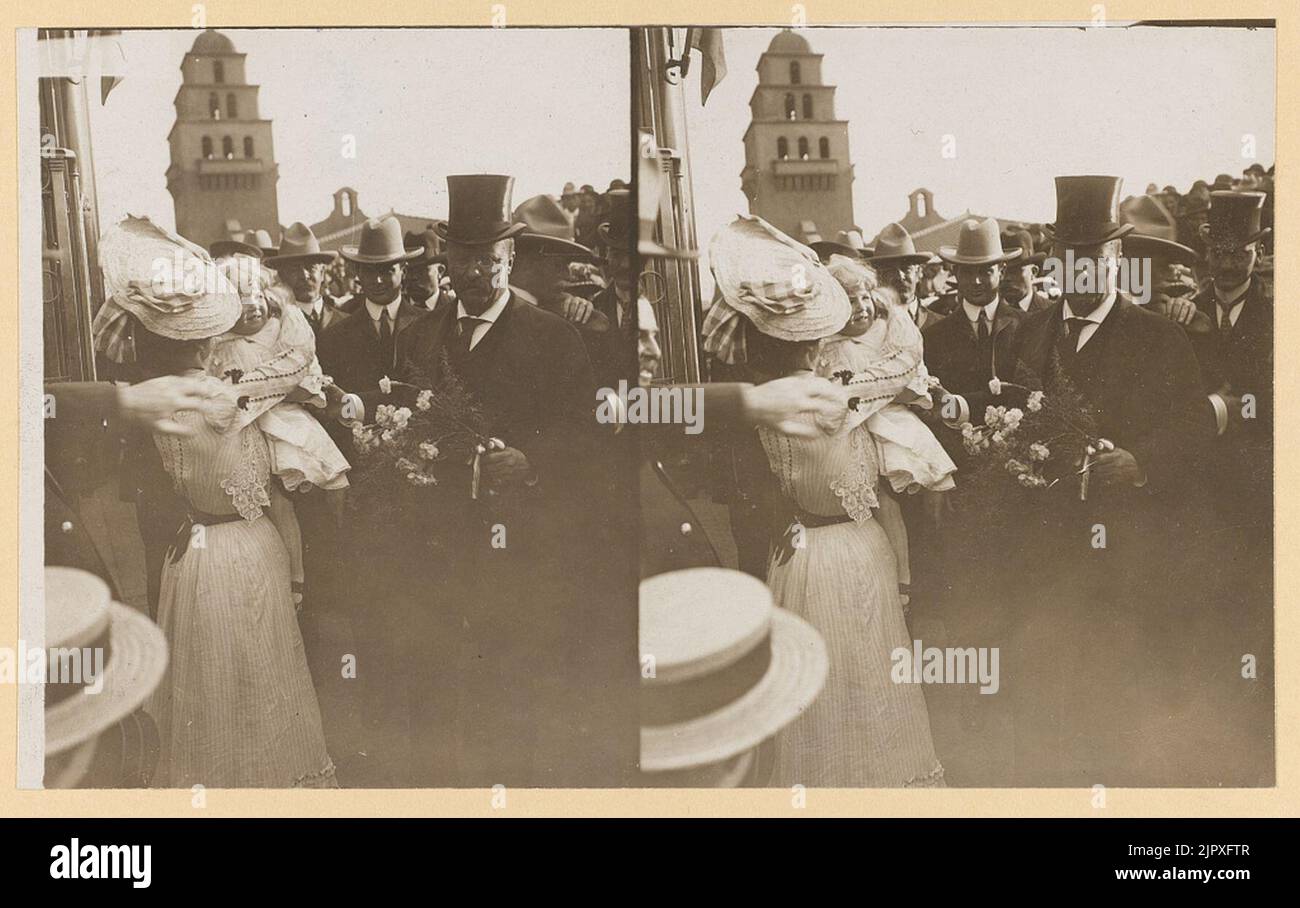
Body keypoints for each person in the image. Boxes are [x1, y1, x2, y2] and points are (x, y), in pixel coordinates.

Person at [93, 215, 336, 788]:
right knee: (259, 671)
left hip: (191, 553)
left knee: (206, 680)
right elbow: (296, 364)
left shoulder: (151, 398)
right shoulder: (226, 398)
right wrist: (274, 317)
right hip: (244, 545)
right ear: (205, 340)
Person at [705, 215, 945, 787]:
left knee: (820, 684)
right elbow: (878, 489)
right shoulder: (836, 399)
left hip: (797, 552)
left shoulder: (771, 399)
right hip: (847, 550)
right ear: (818, 342)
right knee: (863, 683)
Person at [1003, 175, 1215, 785]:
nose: (1080, 270)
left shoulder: (1157, 335)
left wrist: (1141, 460)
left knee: (1119, 690)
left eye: (1093, 257)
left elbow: (1194, 424)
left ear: (1117, 259)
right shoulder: (1032, 329)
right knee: (1048, 689)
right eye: (1068, 257)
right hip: (1044, 548)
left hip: (1123, 548)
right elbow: (1018, 416)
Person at [922, 217, 1028, 429]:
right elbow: (933, 407)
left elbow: (1033, 394)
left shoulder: (1028, 326)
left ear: (1002, 271)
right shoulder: (934, 336)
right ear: (956, 273)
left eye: (986, 271)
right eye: (968, 271)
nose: (976, 281)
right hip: (957, 452)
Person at [264, 222, 350, 337]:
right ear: (282, 276)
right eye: (294, 269)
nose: (304, 276)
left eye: (311, 267)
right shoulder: (274, 329)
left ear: (322, 272)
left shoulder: (347, 323)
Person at [866, 222, 945, 327]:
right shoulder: (871, 328)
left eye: (906, 268)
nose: (900, 276)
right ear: (879, 277)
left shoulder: (941, 325)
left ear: (918, 273)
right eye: (890, 271)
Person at [999, 227, 1052, 313]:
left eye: (1015, 271)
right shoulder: (988, 315)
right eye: (1002, 271)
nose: (1007, 278)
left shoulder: (1050, 312)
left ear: (1034, 272)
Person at [401, 227, 450, 312]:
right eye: (408, 270)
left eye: (421, 270)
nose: (413, 277)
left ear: (440, 271)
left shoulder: (455, 309)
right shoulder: (393, 311)